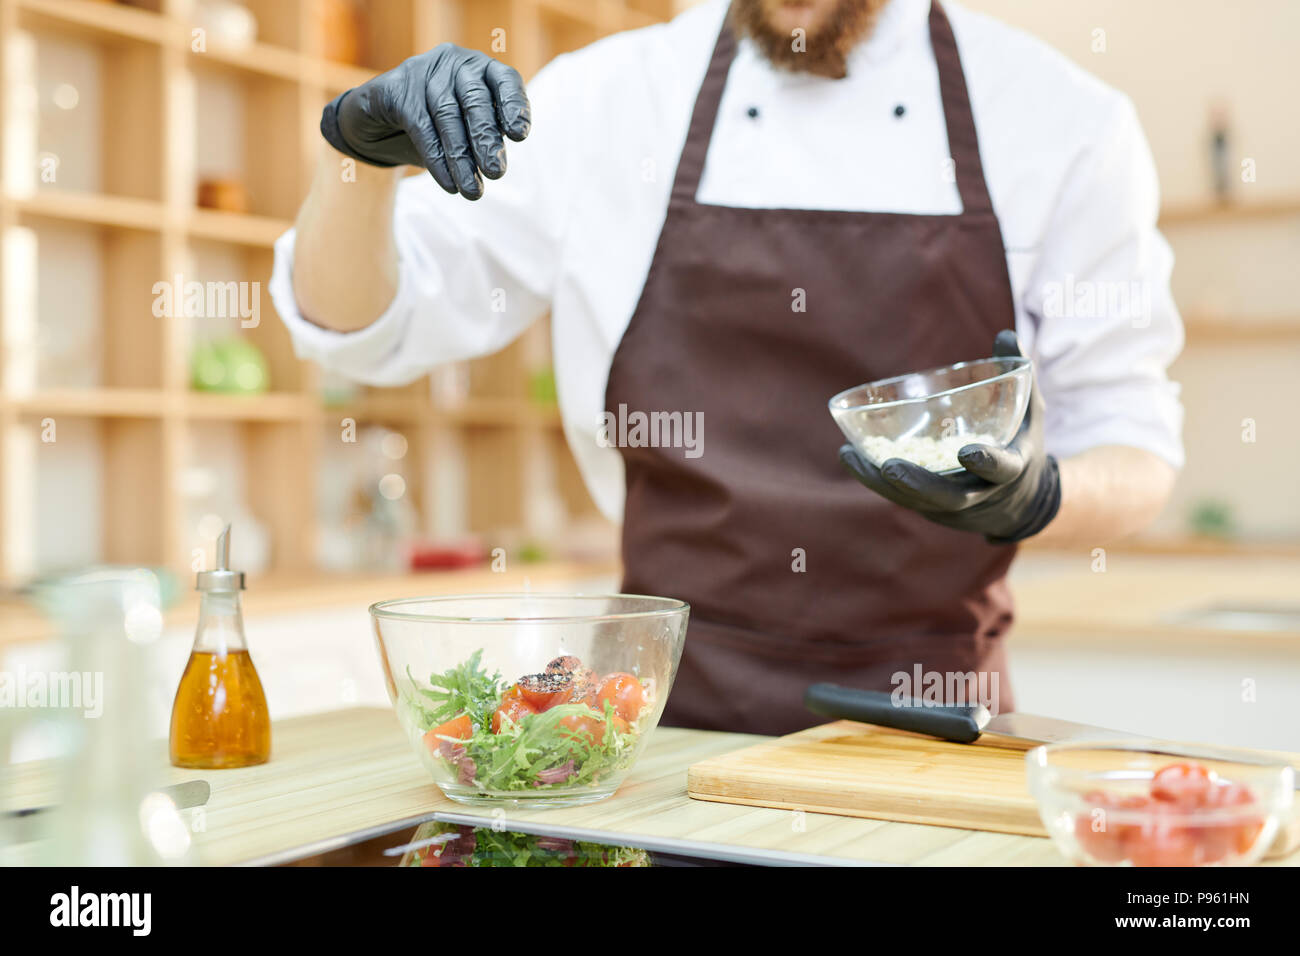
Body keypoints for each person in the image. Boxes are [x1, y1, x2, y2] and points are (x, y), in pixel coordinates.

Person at [270, 0, 1183, 735]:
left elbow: (1137, 452)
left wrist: (1041, 495)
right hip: (655, 724)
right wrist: (354, 160)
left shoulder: (1061, 120)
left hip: (933, 731)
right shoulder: (608, 100)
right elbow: (365, 328)